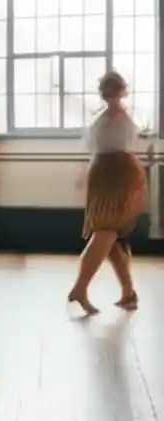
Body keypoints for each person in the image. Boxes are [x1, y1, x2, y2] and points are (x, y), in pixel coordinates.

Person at [67, 71, 147, 314]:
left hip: (107, 171)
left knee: (110, 235)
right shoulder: (114, 115)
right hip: (114, 172)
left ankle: (127, 292)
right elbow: (119, 144)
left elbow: (102, 145)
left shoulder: (105, 117)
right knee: (108, 232)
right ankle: (82, 288)